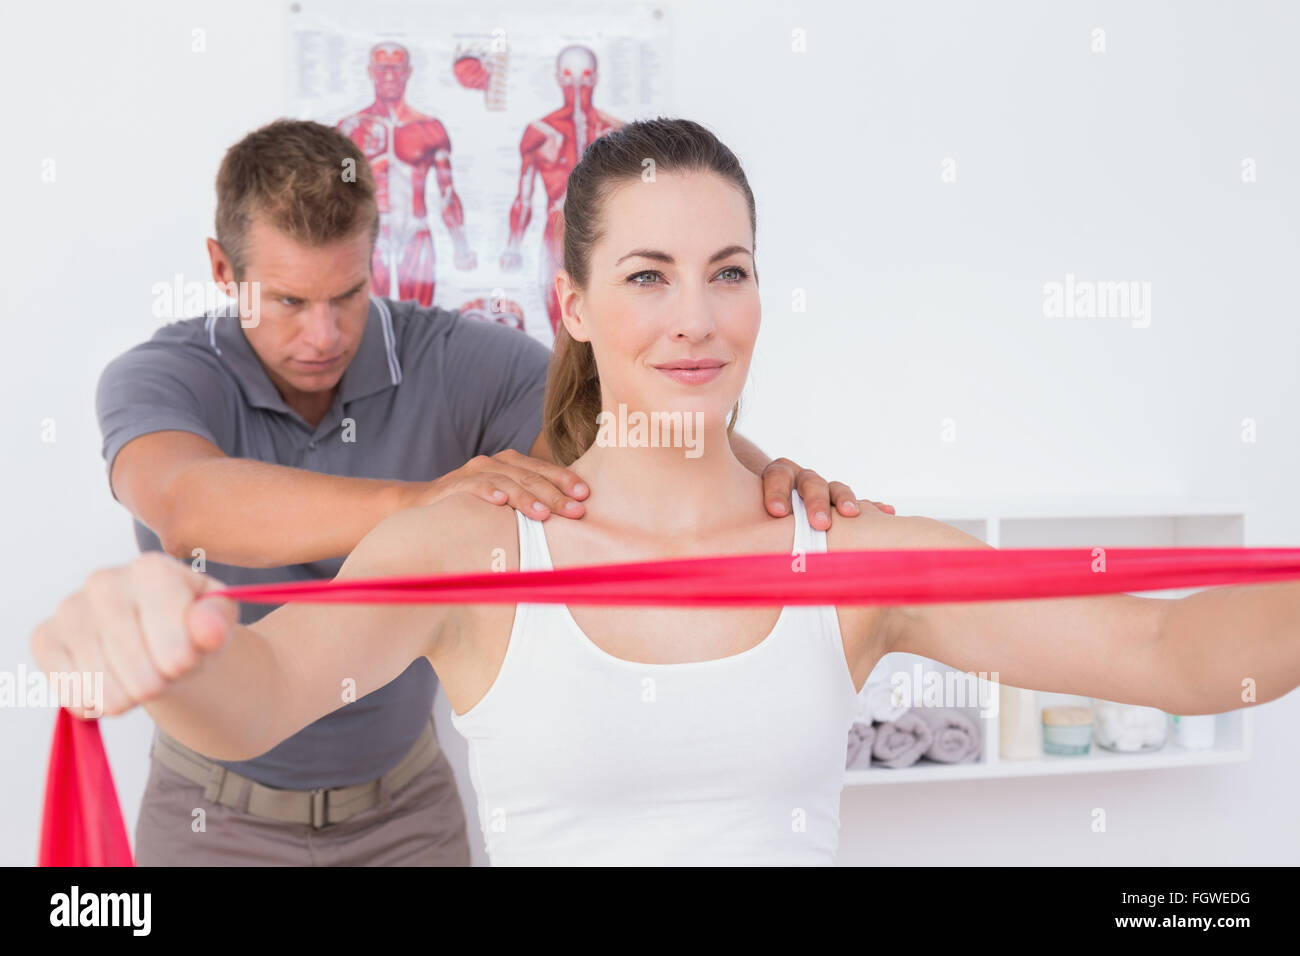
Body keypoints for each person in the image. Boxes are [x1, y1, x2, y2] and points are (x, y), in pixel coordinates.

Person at [41, 117, 1294, 865]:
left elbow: (1174, 648)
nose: (696, 317)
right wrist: (161, 632)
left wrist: (763, 478)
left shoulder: (843, 549)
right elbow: (257, 694)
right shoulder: (475, 544)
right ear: (573, 307)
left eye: (728, 270)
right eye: (647, 274)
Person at [93, 118, 884, 866]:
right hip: (213, 815)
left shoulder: (453, 359)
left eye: (347, 295)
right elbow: (188, 508)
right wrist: (419, 502)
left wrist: (768, 475)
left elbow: (612, 415)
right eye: (291, 302)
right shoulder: (162, 375)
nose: (324, 335)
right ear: (223, 270)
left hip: (404, 815)